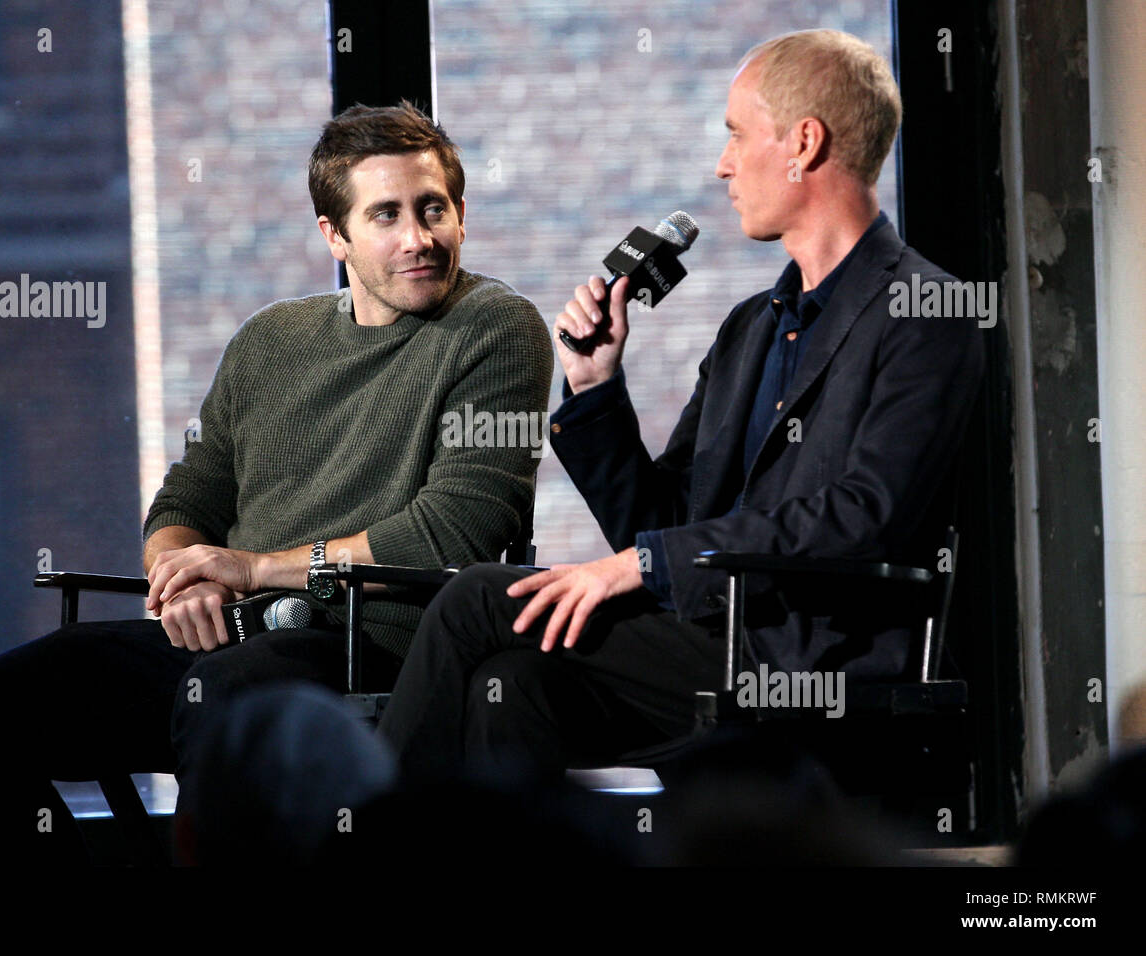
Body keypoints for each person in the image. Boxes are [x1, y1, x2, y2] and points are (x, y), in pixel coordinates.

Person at [0, 101, 553, 862]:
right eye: (385, 215)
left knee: (225, 704)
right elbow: (185, 505)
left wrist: (251, 568)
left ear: (460, 215)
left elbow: (453, 534)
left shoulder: (496, 327)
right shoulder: (270, 340)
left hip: (373, 649)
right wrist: (181, 580)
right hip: (226, 638)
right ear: (335, 235)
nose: (418, 239)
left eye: (434, 210)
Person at [377, 30, 986, 780]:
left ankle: (361, 841)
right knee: (515, 687)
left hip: (817, 654)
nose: (723, 164)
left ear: (803, 142)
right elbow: (669, 526)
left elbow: (866, 516)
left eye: (736, 135)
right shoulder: (748, 331)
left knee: (478, 599)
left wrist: (640, 565)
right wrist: (597, 388)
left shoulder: (927, 311)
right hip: (709, 638)